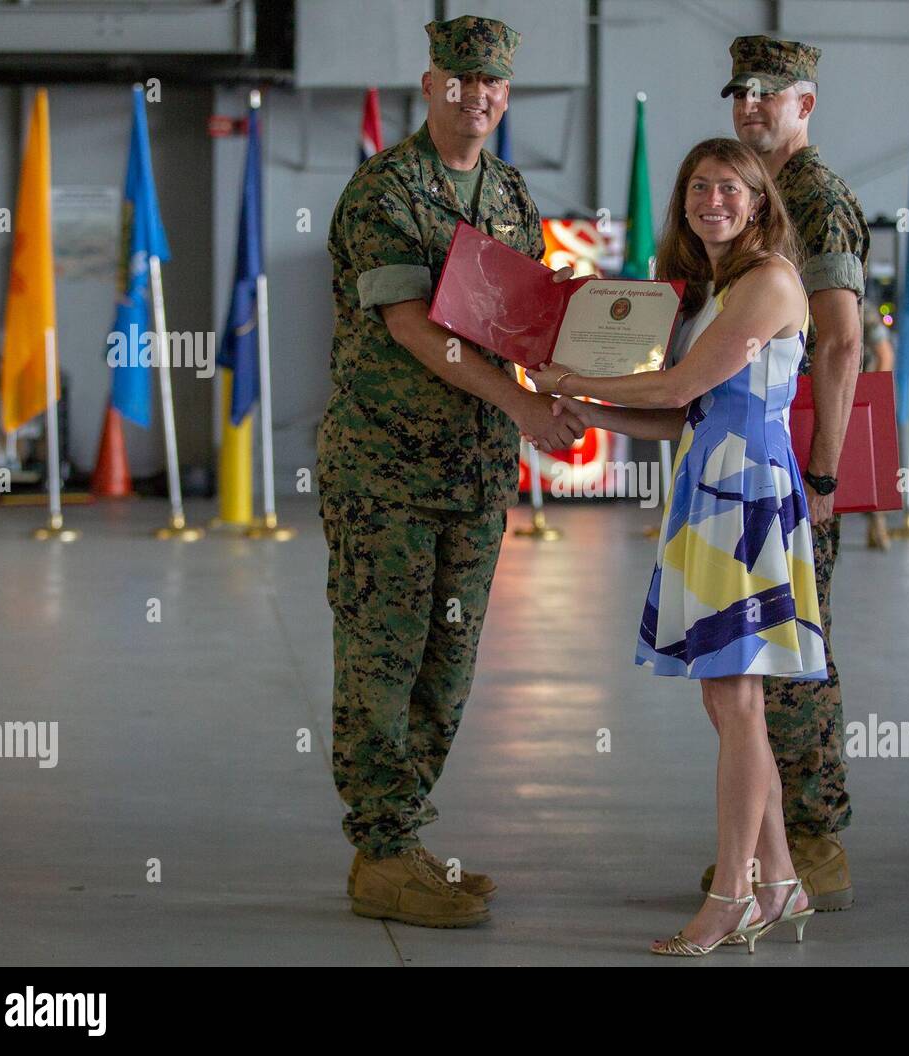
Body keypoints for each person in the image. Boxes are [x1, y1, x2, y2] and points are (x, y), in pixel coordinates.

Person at [316, 14, 588, 928]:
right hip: (385, 466)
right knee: (381, 658)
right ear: (430, 85)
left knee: (447, 664)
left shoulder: (508, 193)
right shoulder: (383, 191)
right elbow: (410, 327)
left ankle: (401, 839)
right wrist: (522, 407)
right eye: (460, 80)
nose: (477, 96)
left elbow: (524, 318)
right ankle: (380, 852)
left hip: (472, 476)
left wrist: (585, 357)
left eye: (493, 84)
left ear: (507, 95)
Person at [527, 138, 824, 956]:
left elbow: (681, 386)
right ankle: (781, 880)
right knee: (728, 699)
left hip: (746, 496)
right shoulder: (715, 290)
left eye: (730, 187)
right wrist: (593, 416)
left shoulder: (767, 282)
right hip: (710, 485)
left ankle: (730, 896)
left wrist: (570, 384)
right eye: (699, 187)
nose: (712, 200)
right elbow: (676, 415)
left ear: (760, 202)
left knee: (735, 700)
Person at [719, 35, 869, 908]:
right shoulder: (758, 193)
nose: (751, 106)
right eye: (741, 91)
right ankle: (773, 848)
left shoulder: (813, 196)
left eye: (770, 94)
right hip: (755, 468)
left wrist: (821, 478)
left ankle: (811, 845)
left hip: (793, 472)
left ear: (804, 106)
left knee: (794, 654)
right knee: (760, 651)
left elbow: (842, 339)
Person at [862, 299, 895, 549]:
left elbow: (885, 355)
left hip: (861, 401)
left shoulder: (865, 310)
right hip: (838, 400)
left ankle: (878, 527)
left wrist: (873, 401)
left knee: (872, 471)